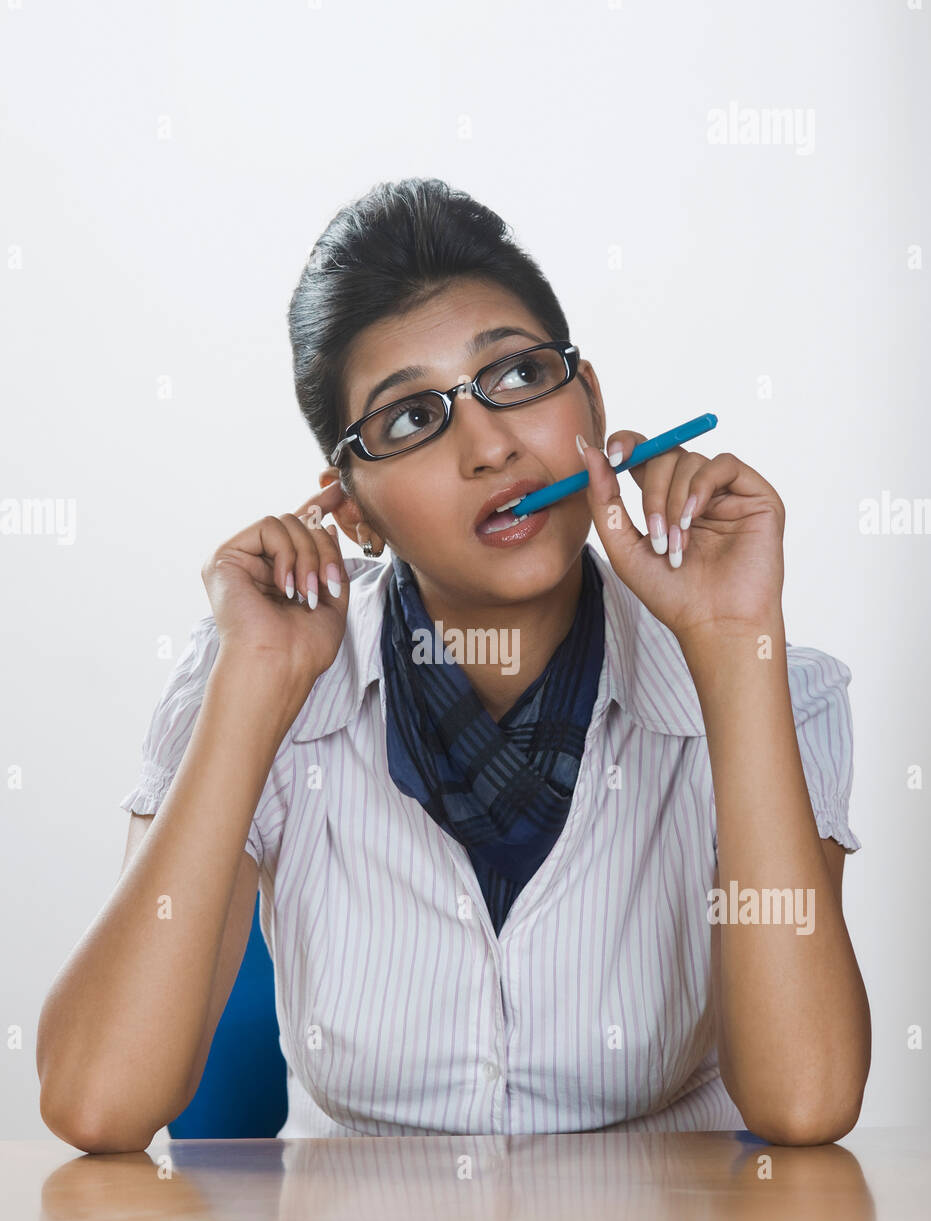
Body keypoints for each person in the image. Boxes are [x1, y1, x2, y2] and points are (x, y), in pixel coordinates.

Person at [36, 177, 870, 1151]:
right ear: (351, 510)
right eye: (409, 419)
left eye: (516, 377)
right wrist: (252, 686)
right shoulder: (249, 680)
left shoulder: (778, 680)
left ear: (589, 403)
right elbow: (96, 1102)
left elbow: (805, 1102)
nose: (488, 447)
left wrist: (732, 649)